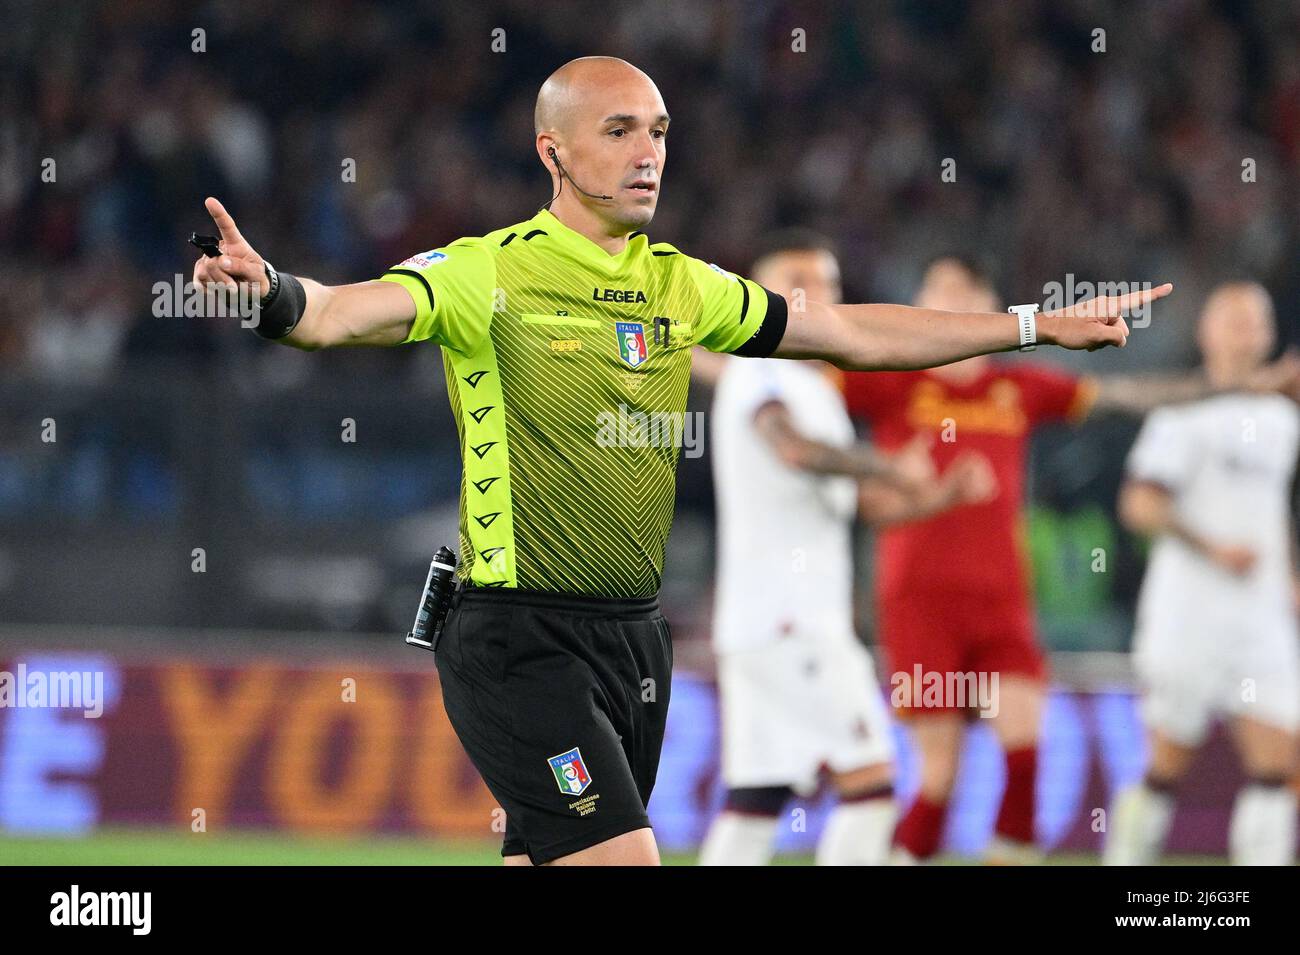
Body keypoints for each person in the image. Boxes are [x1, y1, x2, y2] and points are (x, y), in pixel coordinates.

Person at [191, 57, 1168, 866]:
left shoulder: (680, 286)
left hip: (634, 642)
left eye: (657, 130)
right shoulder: (488, 270)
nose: (647, 151)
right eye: (618, 130)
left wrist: (1032, 324)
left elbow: (851, 334)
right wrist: (270, 288)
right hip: (515, 635)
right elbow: (337, 313)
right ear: (553, 151)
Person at [841, 256, 1248, 864]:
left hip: (1002, 601)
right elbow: (862, 492)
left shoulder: (1019, 386)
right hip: (919, 602)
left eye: (957, 293)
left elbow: (1126, 395)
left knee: (1028, 757)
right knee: (938, 779)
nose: (941, 307)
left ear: (988, 305)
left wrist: (1243, 384)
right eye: (932, 296)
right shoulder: (892, 380)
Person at [699, 231, 995, 865]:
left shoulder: (817, 388)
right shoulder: (761, 367)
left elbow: (863, 507)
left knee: (756, 799)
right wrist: (888, 464)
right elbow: (793, 450)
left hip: (766, 625)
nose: (816, 296)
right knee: (873, 782)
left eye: (827, 283)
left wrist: (939, 494)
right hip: (790, 622)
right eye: (798, 282)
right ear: (761, 294)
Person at [1103, 281, 1299, 866]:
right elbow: (1138, 503)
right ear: (1205, 331)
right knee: (1168, 762)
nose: (1247, 330)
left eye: (1255, 320)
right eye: (1233, 318)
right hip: (1187, 614)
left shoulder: (1283, 418)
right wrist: (1211, 547)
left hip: (1260, 617)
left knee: (1277, 763)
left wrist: (1288, 574)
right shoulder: (1183, 410)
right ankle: (1127, 863)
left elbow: (1269, 510)